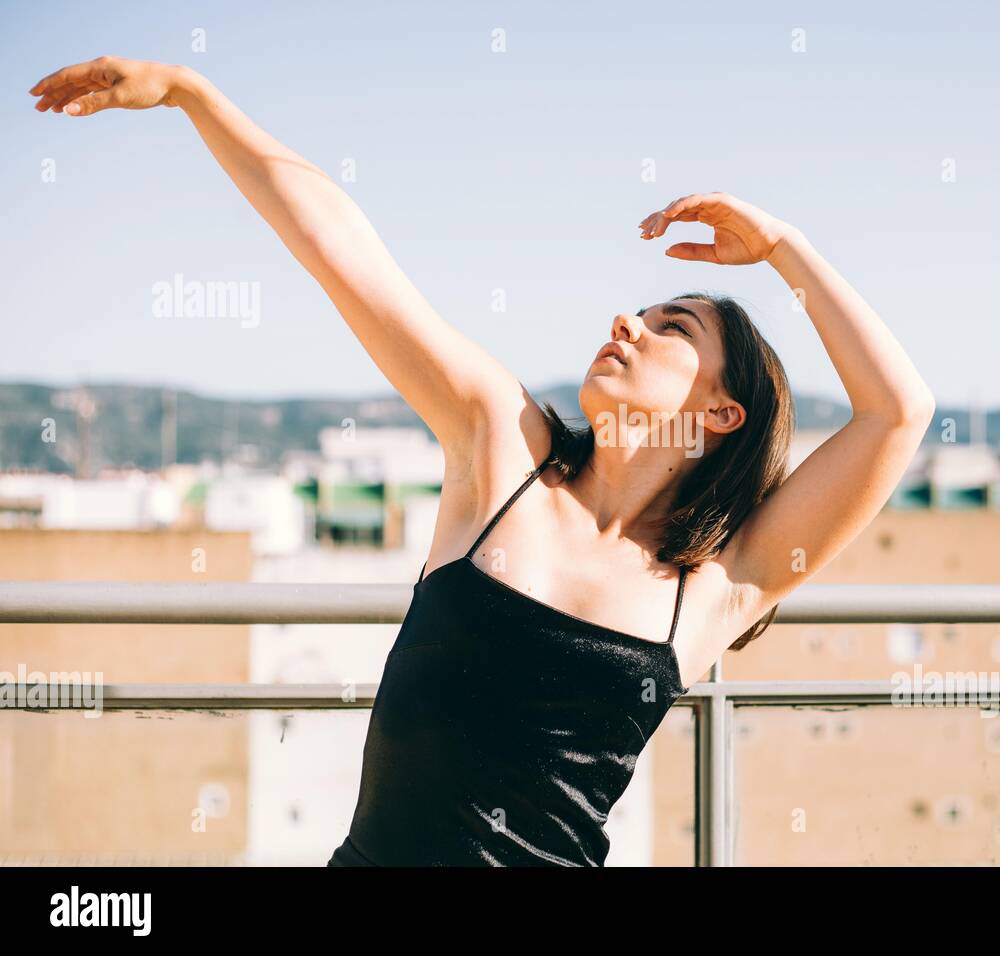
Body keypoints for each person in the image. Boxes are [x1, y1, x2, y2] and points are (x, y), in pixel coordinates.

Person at [31, 57, 937, 866]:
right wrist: (197, 96)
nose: (628, 322)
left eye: (674, 329)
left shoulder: (717, 585)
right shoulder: (502, 456)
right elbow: (341, 248)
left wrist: (784, 250)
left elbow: (898, 413)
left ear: (723, 412)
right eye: (641, 312)